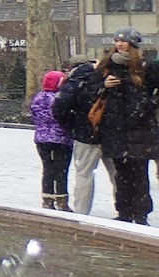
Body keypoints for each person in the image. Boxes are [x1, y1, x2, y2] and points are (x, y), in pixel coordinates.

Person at [64, 29, 159, 224]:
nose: (120, 44)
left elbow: (155, 93)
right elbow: (90, 92)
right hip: (114, 129)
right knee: (121, 174)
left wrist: (145, 105)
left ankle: (140, 214)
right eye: (117, 40)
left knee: (139, 174)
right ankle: (123, 211)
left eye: (123, 41)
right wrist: (104, 85)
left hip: (139, 129)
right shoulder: (108, 65)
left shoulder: (145, 66)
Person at [55, 55, 107, 214]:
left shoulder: (73, 83)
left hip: (85, 134)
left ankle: (82, 212)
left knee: (84, 174)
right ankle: (127, 211)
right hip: (110, 132)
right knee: (117, 174)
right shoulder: (102, 77)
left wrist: (72, 126)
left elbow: (59, 109)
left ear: (72, 67)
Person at [30, 70, 72, 211]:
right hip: (61, 138)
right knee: (61, 170)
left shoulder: (39, 97)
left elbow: (34, 115)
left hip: (42, 139)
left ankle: (47, 199)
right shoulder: (62, 98)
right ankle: (61, 199)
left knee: (47, 168)